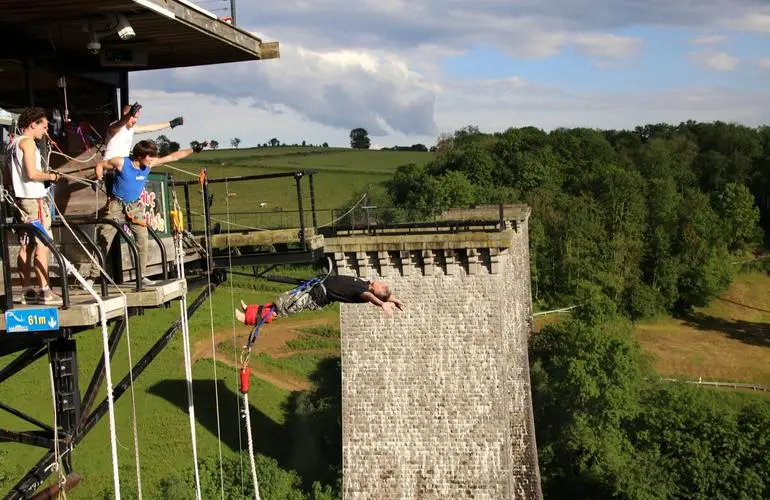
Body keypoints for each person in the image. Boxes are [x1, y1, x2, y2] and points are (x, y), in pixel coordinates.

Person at [82, 139, 208, 286]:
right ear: (140, 156)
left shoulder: (148, 164)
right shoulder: (121, 162)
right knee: (103, 241)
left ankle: (140, 276)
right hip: (116, 207)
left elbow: (173, 157)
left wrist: (194, 149)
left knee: (142, 240)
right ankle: (91, 277)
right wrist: (98, 178)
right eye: (150, 156)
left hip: (135, 208)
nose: (152, 159)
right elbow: (100, 165)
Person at [6, 107, 63, 305]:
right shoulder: (28, 143)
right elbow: (31, 173)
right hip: (34, 200)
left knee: (26, 246)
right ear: (33, 124)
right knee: (43, 245)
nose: (46, 131)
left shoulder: (12, 144)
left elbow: (7, 176)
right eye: (44, 126)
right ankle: (45, 290)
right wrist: (51, 176)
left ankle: (27, 290)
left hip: (20, 199)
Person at [235, 275, 404, 325]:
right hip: (314, 287)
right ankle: (250, 309)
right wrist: (393, 300)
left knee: (283, 308)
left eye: (381, 285)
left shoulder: (363, 293)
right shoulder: (366, 284)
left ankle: (247, 319)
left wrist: (382, 304)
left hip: (315, 296)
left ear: (377, 291)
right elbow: (384, 294)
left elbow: (371, 297)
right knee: (281, 301)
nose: (379, 282)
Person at [102, 102, 183, 160]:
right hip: (109, 170)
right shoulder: (115, 126)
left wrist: (171, 123)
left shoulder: (131, 129)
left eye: (137, 118)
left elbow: (150, 127)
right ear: (125, 114)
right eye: (134, 117)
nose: (135, 120)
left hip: (121, 169)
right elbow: (121, 122)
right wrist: (130, 114)